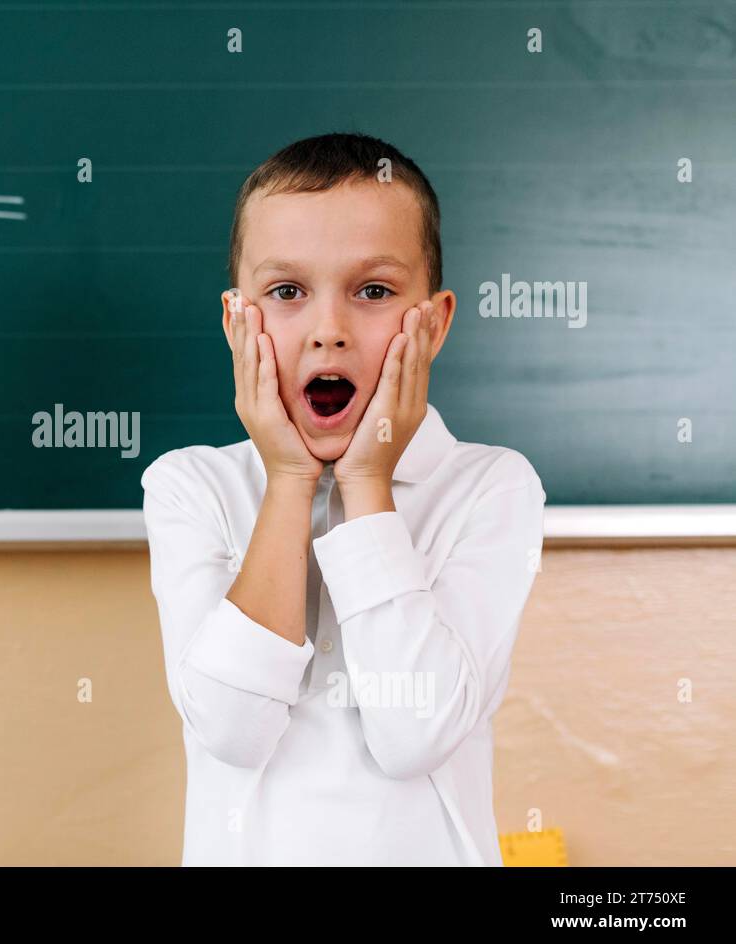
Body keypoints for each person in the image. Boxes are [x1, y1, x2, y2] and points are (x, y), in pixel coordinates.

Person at [140, 132, 546, 866]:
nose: (328, 332)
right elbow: (232, 731)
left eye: (374, 291)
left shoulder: (492, 486)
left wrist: (366, 483)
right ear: (239, 321)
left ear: (437, 321)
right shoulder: (190, 485)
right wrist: (292, 483)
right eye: (287, 292)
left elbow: (413, 734)